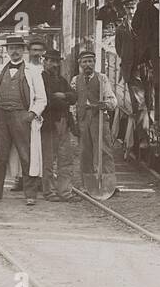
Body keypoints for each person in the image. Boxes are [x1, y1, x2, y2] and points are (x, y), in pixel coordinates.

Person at [0, 34, 46, 205]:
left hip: (22, 117)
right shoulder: (0, 69)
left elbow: (41, 98)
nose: (15, 51)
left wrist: (31, 114)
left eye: (18, 48)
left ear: (23, 50)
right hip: (1, 116)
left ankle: (30, 194)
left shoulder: (33, 71)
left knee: (26, 156)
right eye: (11, 48)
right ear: (7, 51)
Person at [73, 46, 117, 195]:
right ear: (80, 64)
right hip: (83, 119)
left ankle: (109, 183)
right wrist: (74, 120)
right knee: (85, 152)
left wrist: (104, 104)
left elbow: (113, 101)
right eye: (85, 62)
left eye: (91, 61)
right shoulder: (75, 80)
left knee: (103, 150)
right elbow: (72, 102)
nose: (88, 65)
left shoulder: (102, 78)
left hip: (99, 119)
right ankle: (87, 185)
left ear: (95, 63)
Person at [40, 48, 78, 201]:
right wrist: (63, 99)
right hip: (49, 123)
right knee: (48, 159)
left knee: (65, 158)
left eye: (57, 61)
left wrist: (63, 95)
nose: (55, 64)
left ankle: (65, 192)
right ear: (45, 62)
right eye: (51, 61)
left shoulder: (61, 80)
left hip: (64, 122)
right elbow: (46, 100)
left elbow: (74, 96)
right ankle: (48, 191)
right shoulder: (40, 79)